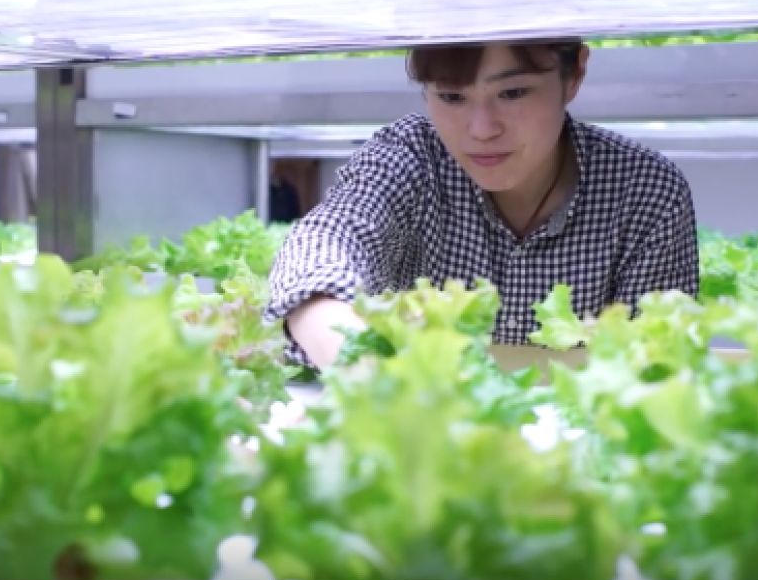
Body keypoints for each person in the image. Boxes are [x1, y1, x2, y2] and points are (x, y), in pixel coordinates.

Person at [264, 38, 699, 369]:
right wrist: (359, 368)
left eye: (513, 93)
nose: (482, 128)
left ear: (575, 75)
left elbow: (656, 367)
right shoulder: (412, 157)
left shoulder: (645, 190)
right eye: (452, 97)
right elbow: (326, 242)